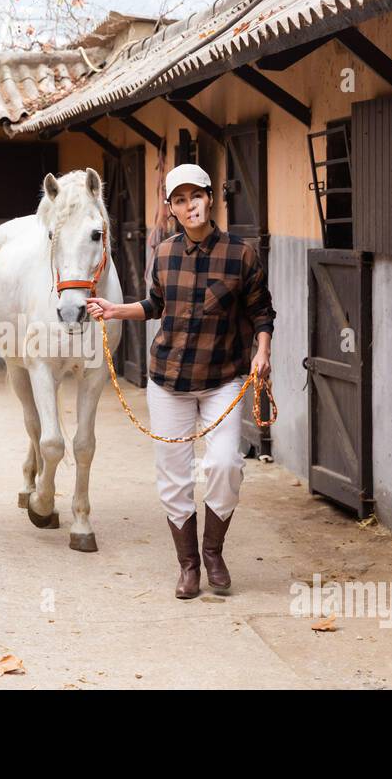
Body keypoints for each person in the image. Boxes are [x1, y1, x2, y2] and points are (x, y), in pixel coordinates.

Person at [87, 163, 275, 600]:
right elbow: (155, 304)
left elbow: (262, 311)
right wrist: (116, 310)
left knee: (225, 464)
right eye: (179, 200)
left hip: (223, 379)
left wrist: (263, 351)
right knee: (173, 476)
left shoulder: (242, 254)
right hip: (168, 380)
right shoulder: (165, 253)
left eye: (196, 196)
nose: (189, 206)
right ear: (171, 209)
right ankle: (188, 565)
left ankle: (213, 552)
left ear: (211, 199)